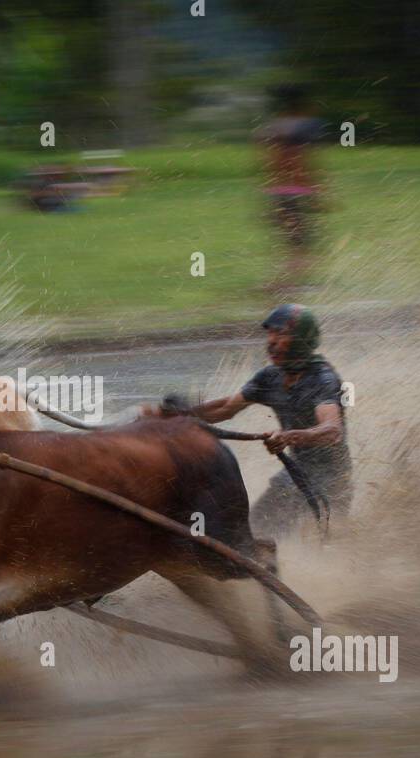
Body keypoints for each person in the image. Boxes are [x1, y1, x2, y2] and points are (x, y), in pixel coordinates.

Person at [145, 304, 351, 538]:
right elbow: (225, 408)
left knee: (305, 541)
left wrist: (288, 437)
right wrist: (180, 415)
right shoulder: (271, 376)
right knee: (258, 529)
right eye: (270, 334)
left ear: (302, 340)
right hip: (293, 477)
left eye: (281, 334)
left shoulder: (323, 379)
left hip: (330, 485)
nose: (271, 342)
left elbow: (332, 431)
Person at [254, 85, 325, 293]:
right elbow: (305, 162)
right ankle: (281, 284)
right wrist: (318, 192)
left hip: (275, 192)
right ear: (302, 104)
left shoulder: (269, 129)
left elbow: (264, 163)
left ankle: (282, 282)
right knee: (301, 244)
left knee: (291, 241)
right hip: (297, 192)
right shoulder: (305, 128)